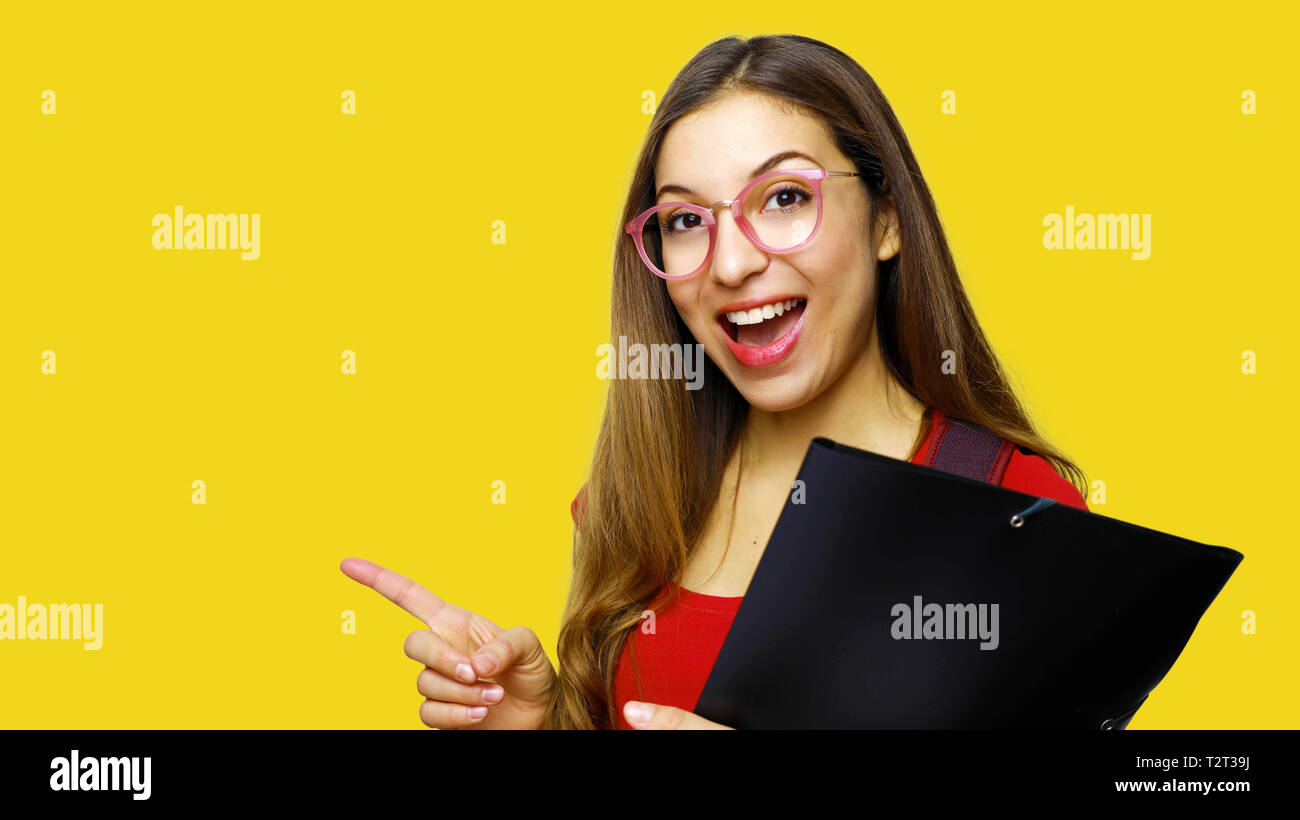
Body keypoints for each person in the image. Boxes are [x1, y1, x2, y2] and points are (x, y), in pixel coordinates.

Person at [341, 33, 1089, 730]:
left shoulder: (1016, 511)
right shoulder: (634, 499)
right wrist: (541, 723)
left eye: (786, 198)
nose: (731, 264)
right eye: (687, 220)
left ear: (886, 220)